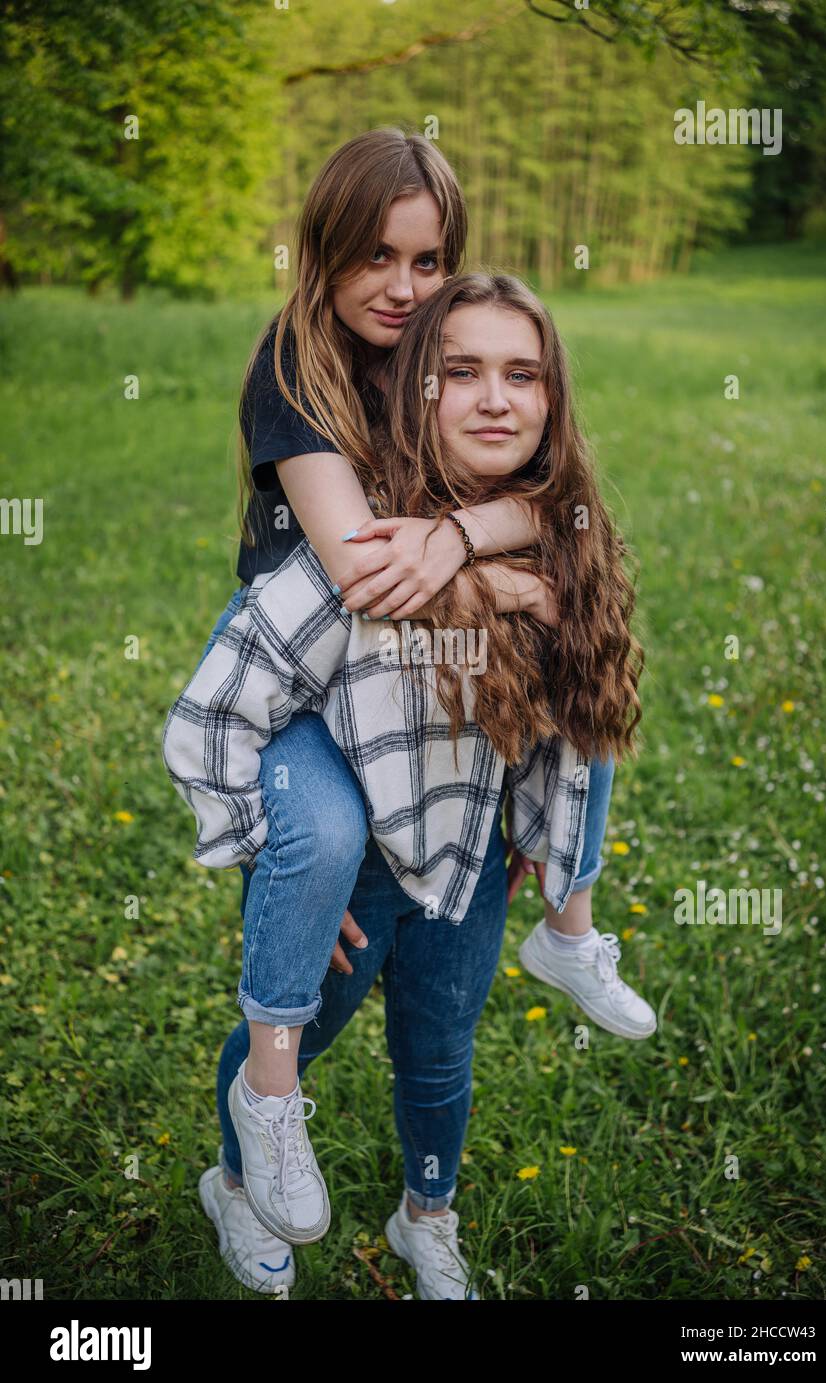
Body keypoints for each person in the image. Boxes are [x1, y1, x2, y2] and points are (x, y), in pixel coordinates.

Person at [166, 273, 654, 1298]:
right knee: (286, 1044)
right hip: (359, 870)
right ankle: (239, 1181)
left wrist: (551, 868)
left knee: (439, 1056)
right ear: (414, 394)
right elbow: (218, 711)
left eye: (522, 375)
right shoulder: (366, 557)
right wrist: (277, 854)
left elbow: (576, 744)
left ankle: (425, 1215)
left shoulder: (566, 545)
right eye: (461, 372)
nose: (493, 398)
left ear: (552, 403)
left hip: (470, 867)